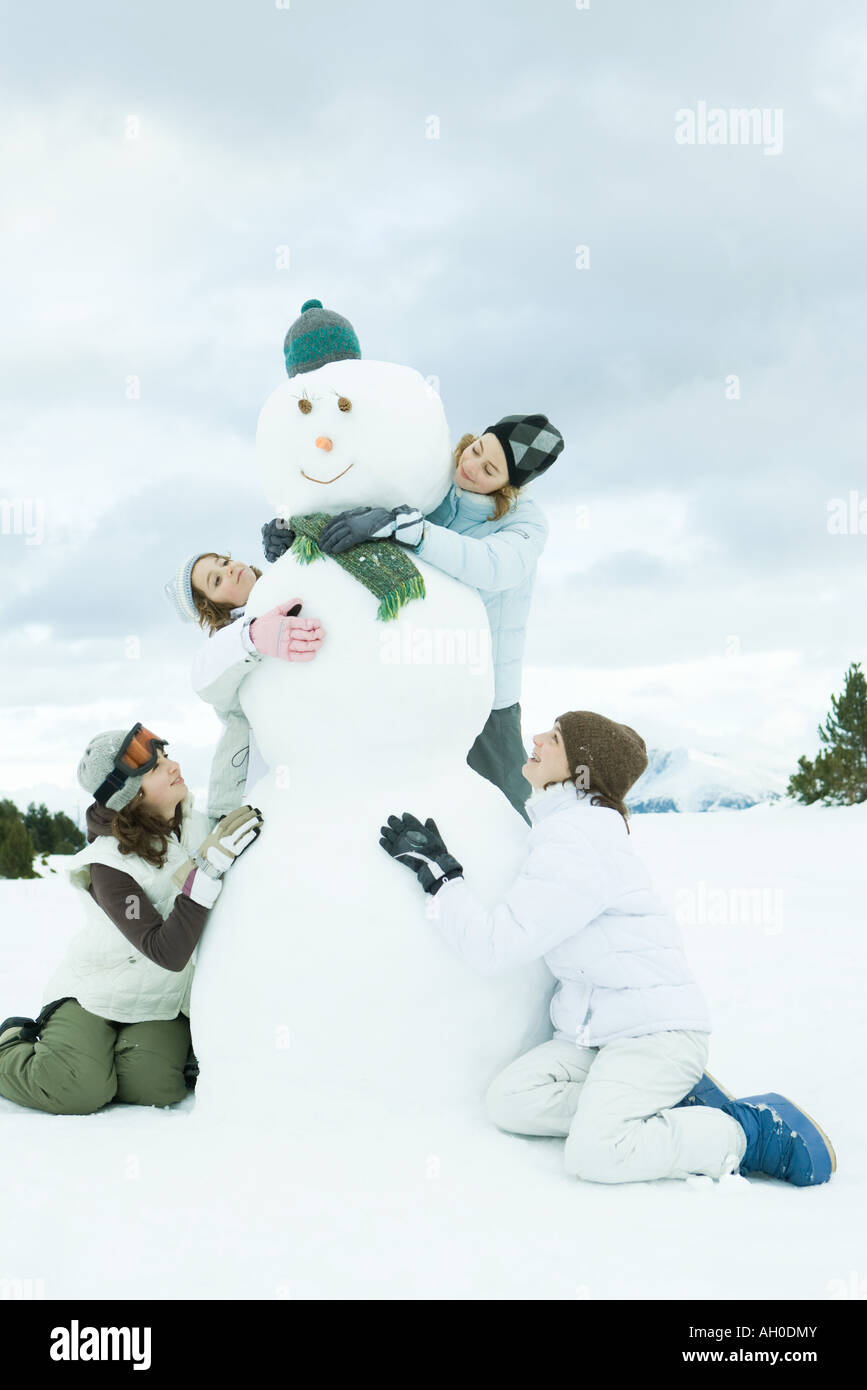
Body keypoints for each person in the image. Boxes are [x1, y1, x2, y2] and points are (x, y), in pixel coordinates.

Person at [378, 710, 836, 1188]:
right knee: (510, 1100)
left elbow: (495, 947)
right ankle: (654, 1104)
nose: (535, 738)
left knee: (598, 1155)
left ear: (581, 770)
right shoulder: (570, 830)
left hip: (655, 1035)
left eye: (554, 737)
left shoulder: (577, 842)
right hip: (598, 1037)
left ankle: (748, 1133)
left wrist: (441, 876)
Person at [263, 413, 563, 824]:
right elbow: (357, 499)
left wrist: (410, 529)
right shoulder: (433, 485)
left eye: (489, 469)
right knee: (412, 787)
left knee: (504, 801)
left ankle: (525, 878)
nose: (470, 467)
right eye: (476, 449)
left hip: (487, 688)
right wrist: (295, 533)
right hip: (413, 671)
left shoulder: (525, 523)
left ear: (509, 486)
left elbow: (492, 567)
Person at [0, 724, 262, 1115]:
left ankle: (108, 1060)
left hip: (160, 997)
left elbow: (232, 756)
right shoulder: (109, 866)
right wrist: (204, 874)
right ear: (133, 795)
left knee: (155, 1086)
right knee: (76, 1089)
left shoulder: (191, 822)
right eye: (157, 768)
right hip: (96, 992)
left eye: (166, 756)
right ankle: (10, 1044)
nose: (174, 767)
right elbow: (165, 949)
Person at [164, 553, 324, 819]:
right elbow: (203, 677)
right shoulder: (230, 645)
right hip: (241, 803)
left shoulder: (289, 587)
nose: (228, 570)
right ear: (213, 608)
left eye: (224, 562)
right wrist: (253, 637)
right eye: (215, 580)